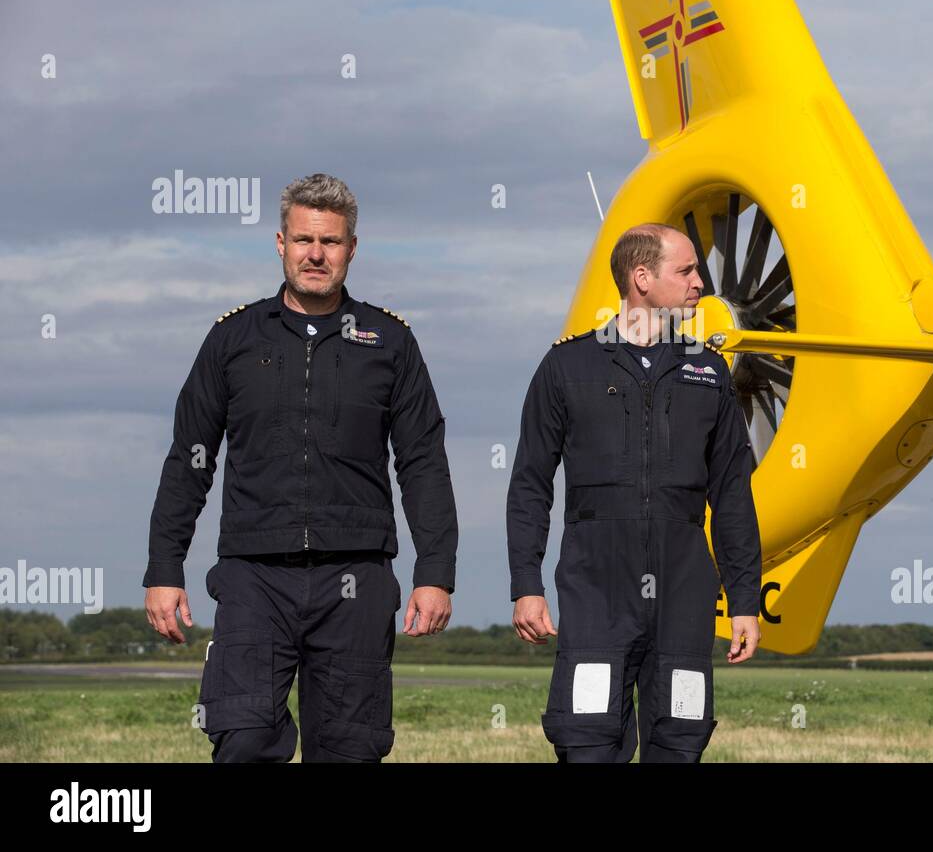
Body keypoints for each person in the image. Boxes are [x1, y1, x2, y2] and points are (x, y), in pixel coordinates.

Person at [143, 173, 459, 762]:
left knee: (349, 748)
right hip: (253, 575)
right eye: (304, 240)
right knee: (242, 740)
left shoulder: (390, 342)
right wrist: (164, 567)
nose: (316, 254)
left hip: (357, 575)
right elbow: (189, 459)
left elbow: (423, 463)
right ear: (281, 242)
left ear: (352, 248)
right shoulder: (231, 338)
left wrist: (435, 572)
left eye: (331, 242)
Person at [507, 222, 762, 762]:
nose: (700, 283)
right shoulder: (567, 367)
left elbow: (734, 494)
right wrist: (526, 584)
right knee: (588, 741)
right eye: (687, 270)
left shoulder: (708, 371)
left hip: (684, 594)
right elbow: (531, 482)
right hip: (596, 591)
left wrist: (743, 600)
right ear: (641, 277)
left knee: (680, 741)